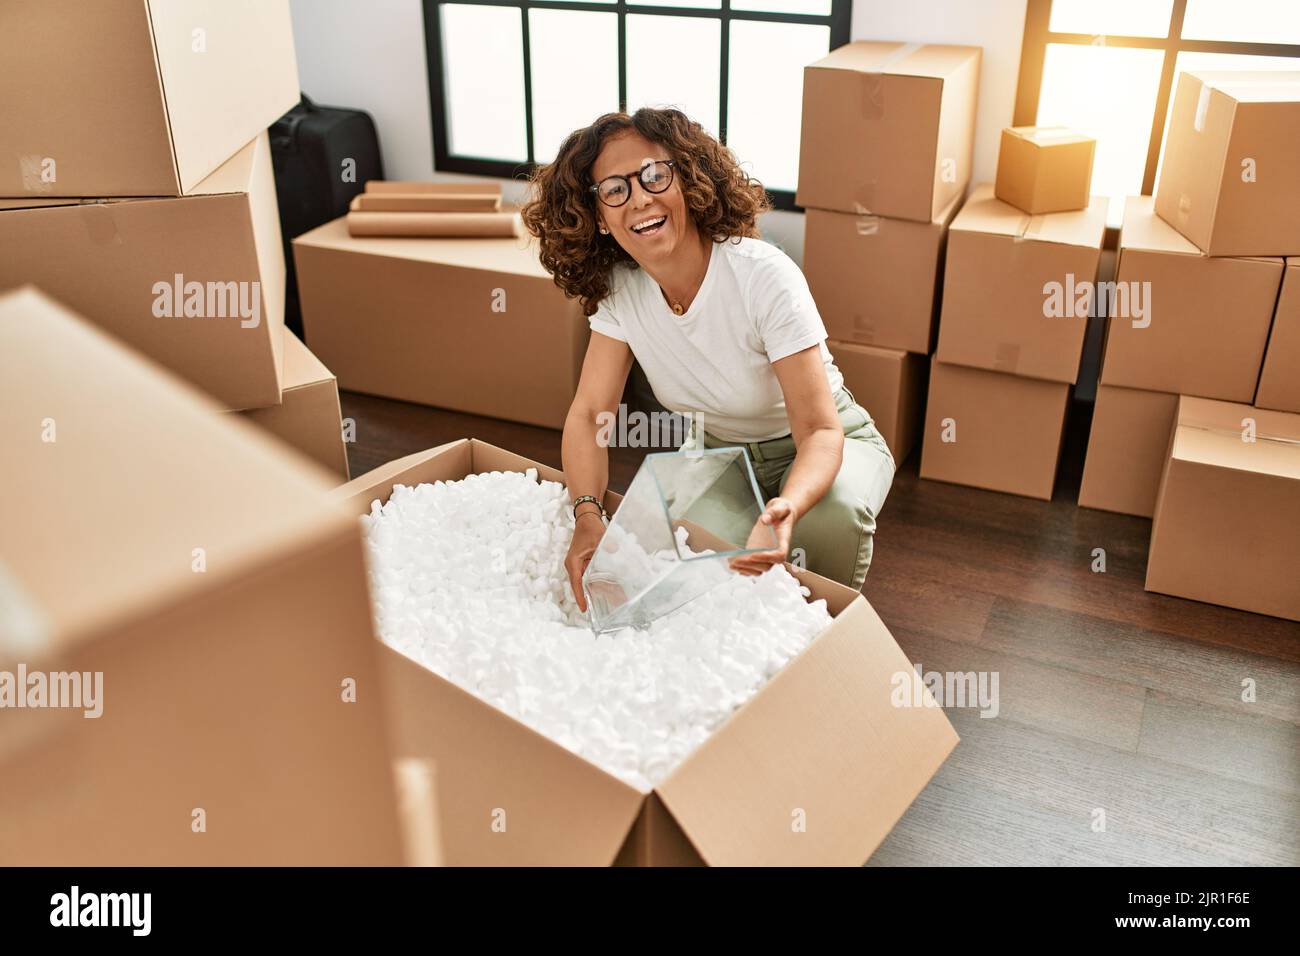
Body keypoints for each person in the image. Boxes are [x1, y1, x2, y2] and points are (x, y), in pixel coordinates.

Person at [520, 107, 895, 610]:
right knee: (697, 566)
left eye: (655, 176)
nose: (640, 199)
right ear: (599, 218)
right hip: (720, 453)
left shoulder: (762, 275)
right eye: (615, 189)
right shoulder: (620, 293)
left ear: (689, 183)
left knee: (828, 521)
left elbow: (820, 433)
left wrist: (785, 508)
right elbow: (591, 415)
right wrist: (587, 515)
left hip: (831, 439)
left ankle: (821, 646)